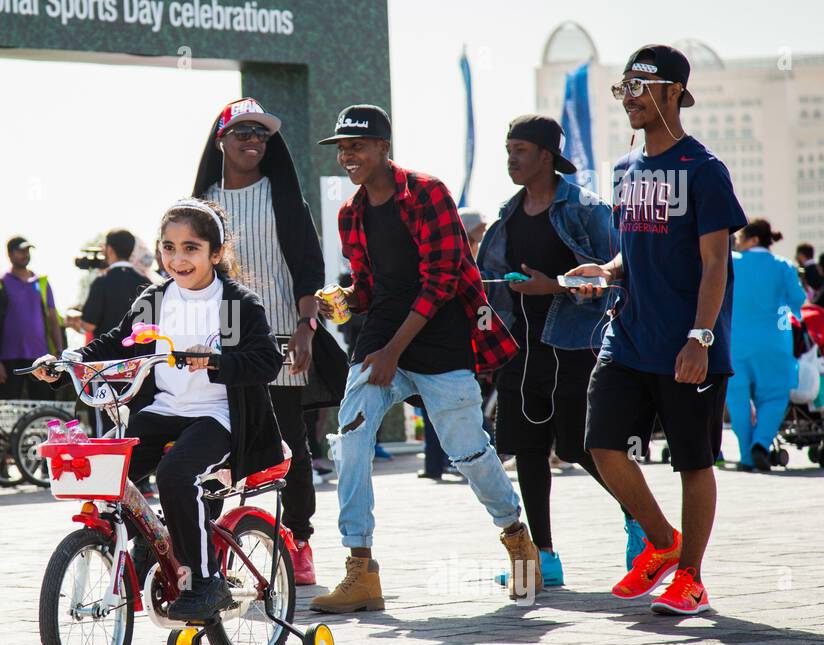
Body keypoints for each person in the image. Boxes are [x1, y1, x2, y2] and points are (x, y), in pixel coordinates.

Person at [308, 105, 535, 613]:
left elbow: (444, 277)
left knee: (469, 452)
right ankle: (361, 568)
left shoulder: (427, 192)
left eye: (357, 146)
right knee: (350, 440)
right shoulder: (352, 214)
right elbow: (370, 287)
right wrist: (344, 300)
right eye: (341, 147)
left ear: (384, 147)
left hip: (440, 336)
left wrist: (394, 351)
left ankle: (518, 537)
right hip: (382, 337)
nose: (348, 155)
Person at [32, 198, 284, 620]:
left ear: (216, 254)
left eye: (191, 248)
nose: (177, 258)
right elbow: (116, 342)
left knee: (174, 474)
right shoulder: (155, 299)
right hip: (163, 410)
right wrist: (65, 362)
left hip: (218, 416)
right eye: (168, 247)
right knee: (111, 473)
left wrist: (218, 360)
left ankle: (207, 582)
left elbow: (266, 361)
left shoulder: (234, 304)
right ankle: (154, 546)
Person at [566, 44, 747, 616]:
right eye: (625, 87)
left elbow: (716, 264)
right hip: (629, 336)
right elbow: (631, 255)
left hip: (688, 344)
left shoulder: (705, 170)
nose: (631, 99)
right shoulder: (624, 170)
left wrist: (701, 336)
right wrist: (603, 270)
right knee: (599, 444)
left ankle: (691, 576)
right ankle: (661, 541)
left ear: (675, 92)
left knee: (693, 462)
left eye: (642, 86)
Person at [192, 97, 348, 586]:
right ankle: (209, 543)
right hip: (223, 339)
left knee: (290, 445)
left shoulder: (281, 196)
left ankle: (299, 541)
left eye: (261, 134)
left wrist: (307, 327)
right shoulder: (201, 206)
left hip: (281, 335)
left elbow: (307, 268)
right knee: (214, 445)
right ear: (221, 141)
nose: (254, 141)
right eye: (243, 133)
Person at [478, 114, 632, 587]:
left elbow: (619, 275)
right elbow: (484, 282)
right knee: (527, 449)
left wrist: (557, 287)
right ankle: (542, 557)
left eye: (520, 150)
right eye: (508, 150)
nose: (511, 159)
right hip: (520, 348)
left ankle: (642, 520)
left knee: (577, 443)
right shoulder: (505, 214)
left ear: (547, 156)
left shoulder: (586, 208)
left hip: (574, 342)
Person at [726, 218, 807, 472]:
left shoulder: (732, 263)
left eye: (740, 239)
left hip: (735, 343)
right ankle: (761, 444)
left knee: (737, 398)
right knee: (774, 396)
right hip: (774, 343)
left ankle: (746, 456)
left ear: (753, 239)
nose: (736, 243)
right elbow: (799, 300)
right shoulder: (784, 266)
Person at [0, 236, 63, 400]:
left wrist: (60, 353)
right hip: (8, 358)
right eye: (20, 251)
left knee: (44, 409)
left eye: (27, 251)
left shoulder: (41, 282)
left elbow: (53, 320)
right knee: (7, 410)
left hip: (41, 357)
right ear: (10, 254)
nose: (25, 254)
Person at [80, 229, 152, 339]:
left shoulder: (101, 282)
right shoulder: (147, 283)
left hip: (109, 353)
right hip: (138, 352)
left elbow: (89, 325)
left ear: (109, 250)